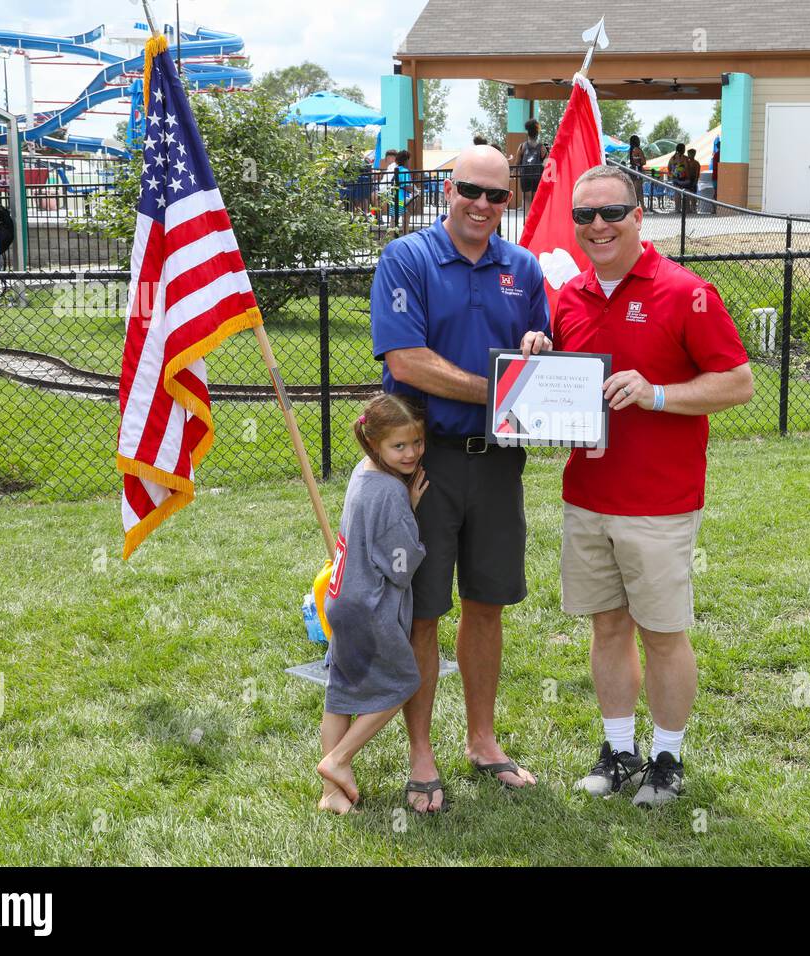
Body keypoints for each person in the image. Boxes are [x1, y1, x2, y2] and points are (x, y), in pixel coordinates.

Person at [547, 164, 753, 807]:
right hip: (588, 495)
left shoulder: (686, 291)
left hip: (659, 502)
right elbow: (563, 391)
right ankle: (619, 748)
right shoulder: (571, 296)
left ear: (640, 216)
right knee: (607, 628)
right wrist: (537, 356)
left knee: (663, 634)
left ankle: (667, 757)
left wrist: (657, 393)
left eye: (612, 212)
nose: (598, 226)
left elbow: (738, 382)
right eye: (585, 216)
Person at [371, 145, 551, 812]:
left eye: (497, 196)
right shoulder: (409, 259)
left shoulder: (524, 269)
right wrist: (499, 390)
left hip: (500, 463)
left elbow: (546, 352)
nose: (482, 205)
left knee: (487, 603)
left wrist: (540, 350)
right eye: (471, 191)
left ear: (510, 200)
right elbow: (408, 361)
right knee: (422, 611)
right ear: (448, 189)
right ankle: (422, 752)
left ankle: (482, 739)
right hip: (427, 463)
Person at [317, 393, 430, 814]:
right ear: (375, 444)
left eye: (416, 443)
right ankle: (338, 760)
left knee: (341, 692)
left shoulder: (361, 473)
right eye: (398, 446)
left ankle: (332, 795)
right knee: (402, 683)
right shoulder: (390, 493)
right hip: (371, 607)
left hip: (341, 600)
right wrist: (412, 511)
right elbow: (400, 565)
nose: (411, 454)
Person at [517, 118, 548, 208]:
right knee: (536, 200)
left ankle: (527, 219)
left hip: (525, 176)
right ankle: (534, 220)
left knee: (527, 199)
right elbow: (547, 163)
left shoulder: (522, 146)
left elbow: (517, 162)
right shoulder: (542, 147)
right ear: (537, 133)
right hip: (537, 176)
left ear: (528, 132)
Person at [627, 134, 646, 206]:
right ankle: (640, 206)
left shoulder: (631, 149)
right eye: (638, 140)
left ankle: (639, 205)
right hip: (637, 170)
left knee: (635, 189)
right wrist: (642, 159)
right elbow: (644, 161)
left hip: (633, 170)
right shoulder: (637, 149)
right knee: (638, 189)